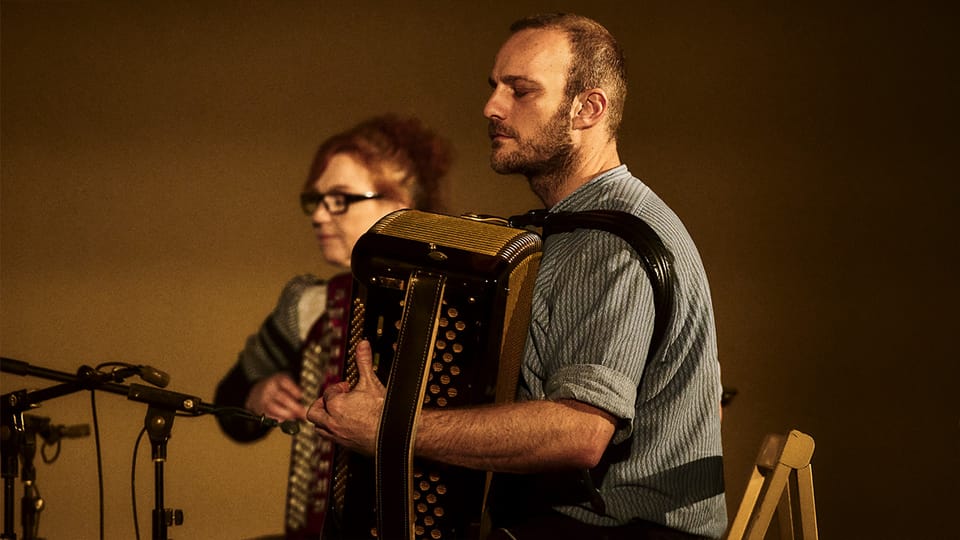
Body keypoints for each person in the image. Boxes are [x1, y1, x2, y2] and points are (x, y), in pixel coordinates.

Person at [308, 13, 726, 540]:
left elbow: (579, 432)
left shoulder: (611, 242)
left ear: (588, 109)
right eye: (494, 87)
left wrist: (390, 428)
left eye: (521, 91)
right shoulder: (567, 231)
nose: (492, 107)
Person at [214, 114, 451, 441]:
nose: (318, 215)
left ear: (402, 203)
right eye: (316, 200)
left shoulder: (458, 298)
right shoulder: (310, 305)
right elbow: (230, 396)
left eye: (340, 199)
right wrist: (257, 396)